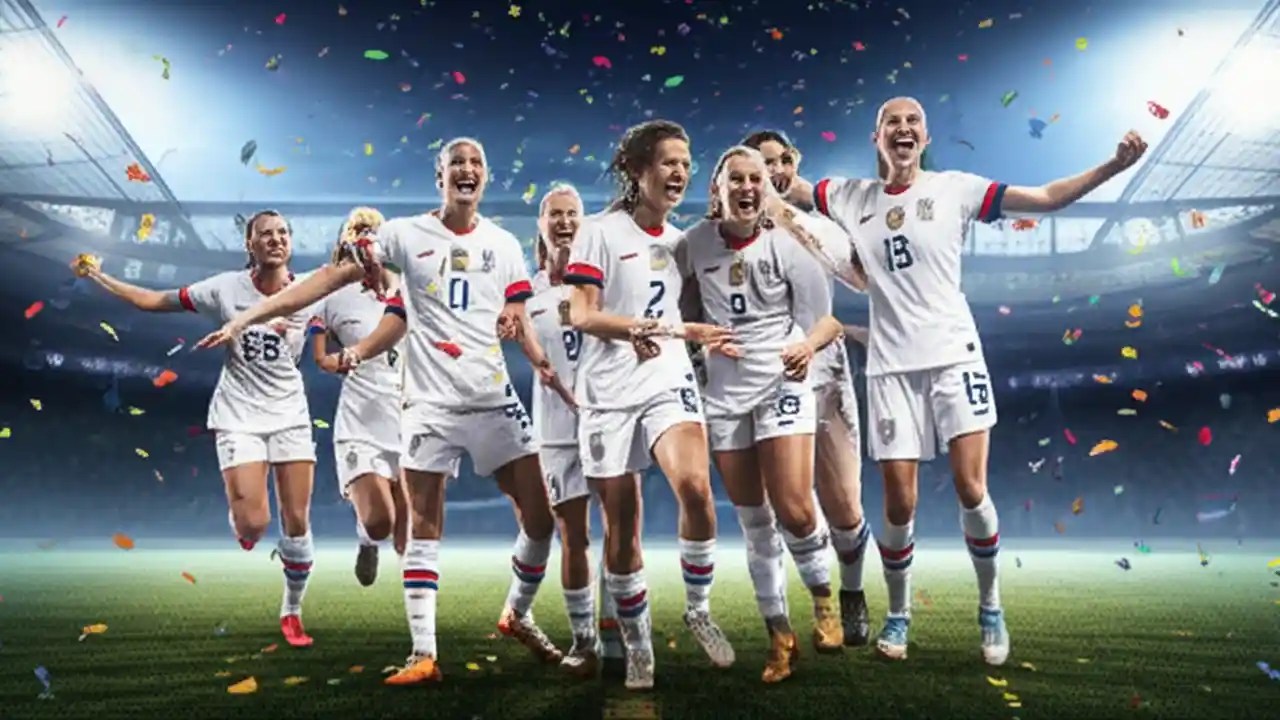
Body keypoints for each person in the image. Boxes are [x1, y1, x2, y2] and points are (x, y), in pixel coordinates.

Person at [776, 96, 1148, 665]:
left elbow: (1047, 197)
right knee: (900, 503)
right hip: (891, 368)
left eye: (913, 122)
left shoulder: (956, 188)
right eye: (892, 122)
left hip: (954, 358)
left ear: (924, 139)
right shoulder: (848, 196)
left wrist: (1114, 165)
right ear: (877, 137)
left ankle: (990, 606)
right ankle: (899, 615)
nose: (903, 128)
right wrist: (758, 172)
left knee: (972, 488)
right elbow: (788, 188)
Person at [196, 138, 572, 684]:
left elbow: (515, 310)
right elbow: (323, 285)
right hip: (425, 405)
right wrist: (245, 318)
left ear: (485, 176)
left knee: (540, 521)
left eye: (476, 164)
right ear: (439, 174)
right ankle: (424, 656)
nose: (466, 171)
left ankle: (517, 612)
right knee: (418, 529)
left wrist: (536, 355)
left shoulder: (503, 244)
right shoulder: (404, 235)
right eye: (456, 164)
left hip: (492, 397)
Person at [73, 210, 321, 648]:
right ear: (250, 245)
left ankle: (292, 612)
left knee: (297, 519)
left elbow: (364, 304)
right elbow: (152, 300)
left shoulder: (312, 293)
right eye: (265, 234)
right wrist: (99, 275)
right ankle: (242, 522)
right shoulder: (224, 288)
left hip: (290, 414)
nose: (276, 240)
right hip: (239, 413)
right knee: (254, 525)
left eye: (283, 233)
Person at [564, 119, 737, 690]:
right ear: (638, 171)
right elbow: (583, 315)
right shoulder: (599, 232)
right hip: (608, 393)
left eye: (686, 163)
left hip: (665, 375)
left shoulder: (679, 243)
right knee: (622, 528)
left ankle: (698, 609)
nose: (680, 171)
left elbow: (688, 316)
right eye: (668, 162)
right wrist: (637, 326)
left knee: (695, 487)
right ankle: (638, 646)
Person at [677, 145, 847, 683]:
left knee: (794, 508)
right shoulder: (693, 245)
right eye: (738, 179)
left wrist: (806, 348)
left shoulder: (789, 244)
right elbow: (682, 316)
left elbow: (826, 323)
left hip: (781, 382)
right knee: (754, 523)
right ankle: (780, 636)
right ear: (717, 189)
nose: (749, 187)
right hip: (724, 397)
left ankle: (823, 600)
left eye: (757, 178)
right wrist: (699, 345)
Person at [743, 129, 873, 646]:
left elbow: (860, 278)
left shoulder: (816, 224)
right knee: (785, 508)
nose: (770, 172)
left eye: (778, 162)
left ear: (793, 164)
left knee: (844, 506)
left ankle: (853, 591)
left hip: (823, 371)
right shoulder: (723, 232)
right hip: (762, 380)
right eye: (758, 166)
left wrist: (785, 212)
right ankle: (804, 615)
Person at [525, 183, 629, 675]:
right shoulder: (525, 294)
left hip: (609, 416)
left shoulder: (602, 286)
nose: (565, 222)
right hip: (557, 429)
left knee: (618, 531)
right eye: (555, 215)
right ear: (541, 227)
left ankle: (620, 632)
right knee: (574, 536)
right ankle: (583, 641)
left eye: (573, 215)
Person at [307, 207, 410, 586]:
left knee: (410, 536)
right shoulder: (333, 295)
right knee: (381, 522)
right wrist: (344, 359)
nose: (367, 239)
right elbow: (320, 357)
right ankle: (367, 540)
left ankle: (420, 623)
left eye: (374, 232)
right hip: (361, 421)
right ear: (347, 241)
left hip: (408, 417)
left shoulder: (408, 285)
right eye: (359, 232)